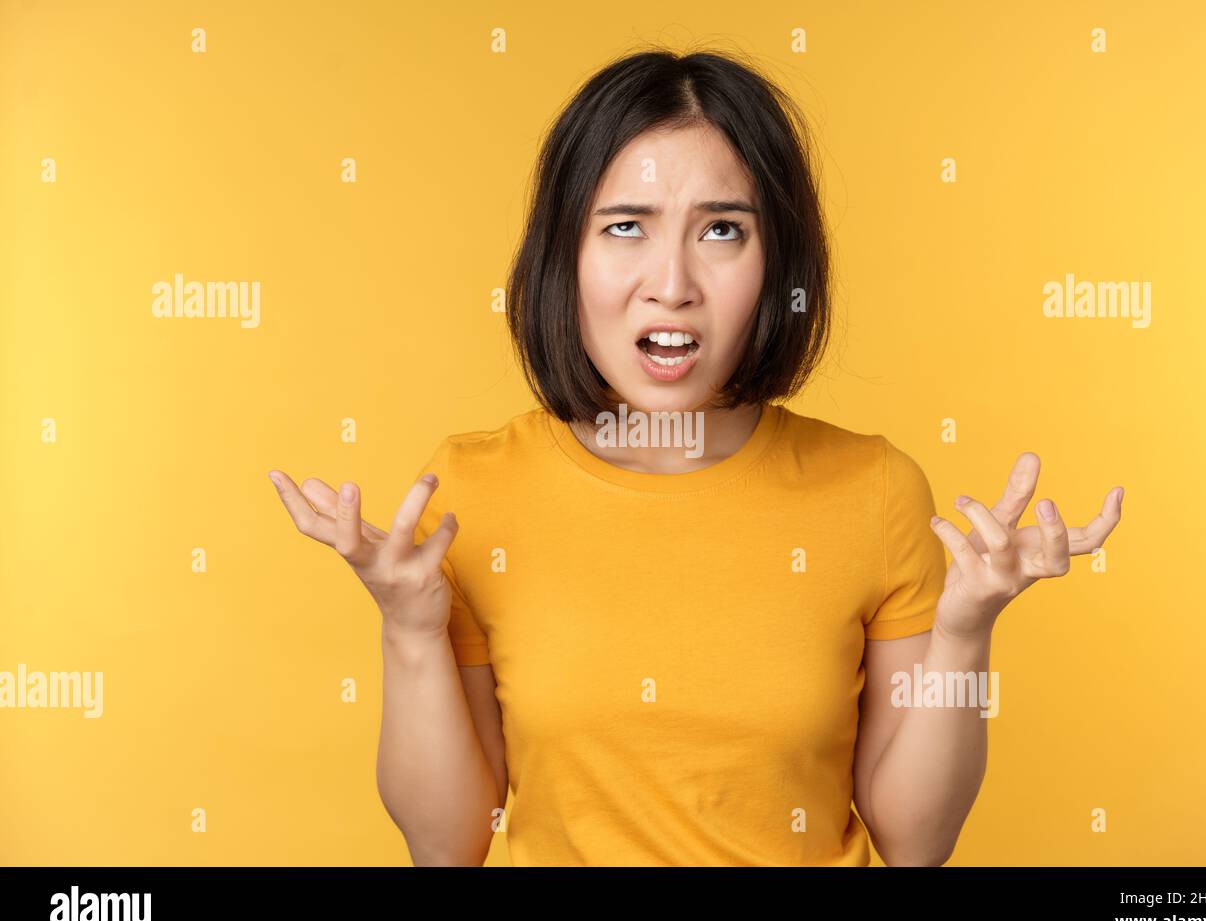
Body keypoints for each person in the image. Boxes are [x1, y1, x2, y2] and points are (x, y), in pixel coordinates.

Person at [268, 48, 1124, 866]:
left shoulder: (877, 490)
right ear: (564, 256)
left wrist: (966, 634)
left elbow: (917, 841)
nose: (671, 281)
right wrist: (411, 632)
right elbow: (445, 848)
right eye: (626, 227)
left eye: (721, 229)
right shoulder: (473, 491)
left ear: (776, 261)